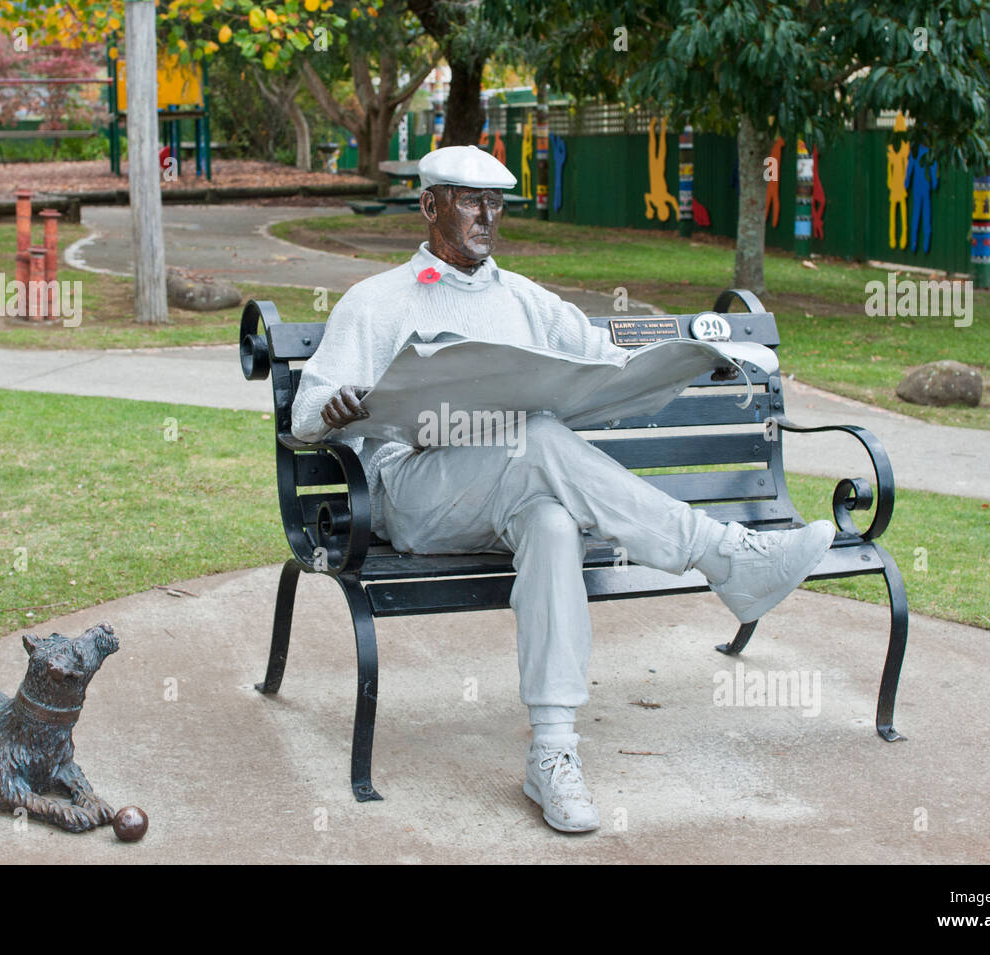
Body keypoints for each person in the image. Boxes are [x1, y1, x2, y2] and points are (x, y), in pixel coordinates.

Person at [291, 145, 834, 833]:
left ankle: (551, 753)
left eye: (497, 202)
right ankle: (724, 554)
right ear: (430, 206)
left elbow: (611, 366)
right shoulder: (378, 301)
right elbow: (307, 414)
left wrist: (703, 359)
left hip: (509, 488)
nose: (487, 214)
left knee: (551, 522)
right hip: (411, 492)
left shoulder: (524, 299)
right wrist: (334, 407)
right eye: (469, 200)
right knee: (539, 437)